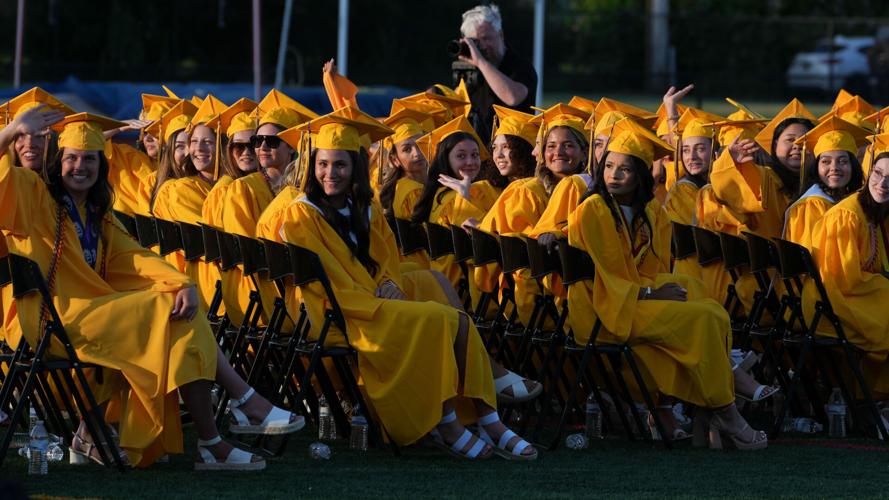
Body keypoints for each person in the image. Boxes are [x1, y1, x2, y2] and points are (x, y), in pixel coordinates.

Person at [0, 108, 302, 470]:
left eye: (90, 159)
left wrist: (182, 283)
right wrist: (13, 131)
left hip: (92, 315)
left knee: (180, 314)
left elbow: (137, 257)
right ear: (57, 161)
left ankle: (213, 439)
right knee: (165, 312)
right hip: (51, 317)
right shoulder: (33, 194)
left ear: (102, 165)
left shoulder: (98, 215)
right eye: (72, 158)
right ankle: (242, 406)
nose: (80, 167)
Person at [277, 111, 538, 460]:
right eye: (323, 164)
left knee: (431, 281)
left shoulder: (363, 206)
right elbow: (331, 279)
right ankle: (453, 419)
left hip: (368, 296)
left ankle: (487, 416)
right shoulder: (302, 213)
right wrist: (377, 292)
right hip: (340, 312)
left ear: (355, 166)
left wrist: (388, 281)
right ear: (312, 166)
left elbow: (387, 256)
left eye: (339, 164)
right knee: (443, 318)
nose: (329, 173)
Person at [566, 117, 767, 449]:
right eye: (609, 166)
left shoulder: (652, 212)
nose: (613, 176)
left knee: (707, 303)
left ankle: (709, 408)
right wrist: (650, 292)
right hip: (603, 308)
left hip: (631, 299)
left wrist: (654, 289)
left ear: (642, 176)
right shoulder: (594, 209)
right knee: (701, 318)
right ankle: (727, 412)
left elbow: (651, 267)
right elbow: (609, 275)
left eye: (624, 169)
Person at [807, 134, 889, 400]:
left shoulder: (874, 211)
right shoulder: (846, 215)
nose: (883, 183)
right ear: (866, 171)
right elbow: (842, 280)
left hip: (855, 294)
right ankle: (870, 400)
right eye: (877, 173)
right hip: (831, 301)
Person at [784, 117, 868, 250]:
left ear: (853, 166)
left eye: (842, 161)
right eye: (826, 161)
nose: (834, 167)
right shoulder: (812, 205)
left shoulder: (849, 200)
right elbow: (813, 260)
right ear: (816, 167)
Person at [457, 4, 537, 140]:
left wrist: (481, 62)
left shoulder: (520, 65)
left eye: (486, 38)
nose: (482, 46)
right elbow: (458, 107)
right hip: (479, 150)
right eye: (475, 41)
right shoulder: (469, 69)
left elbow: (513, 98)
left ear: (501, 34)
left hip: (515, 149)